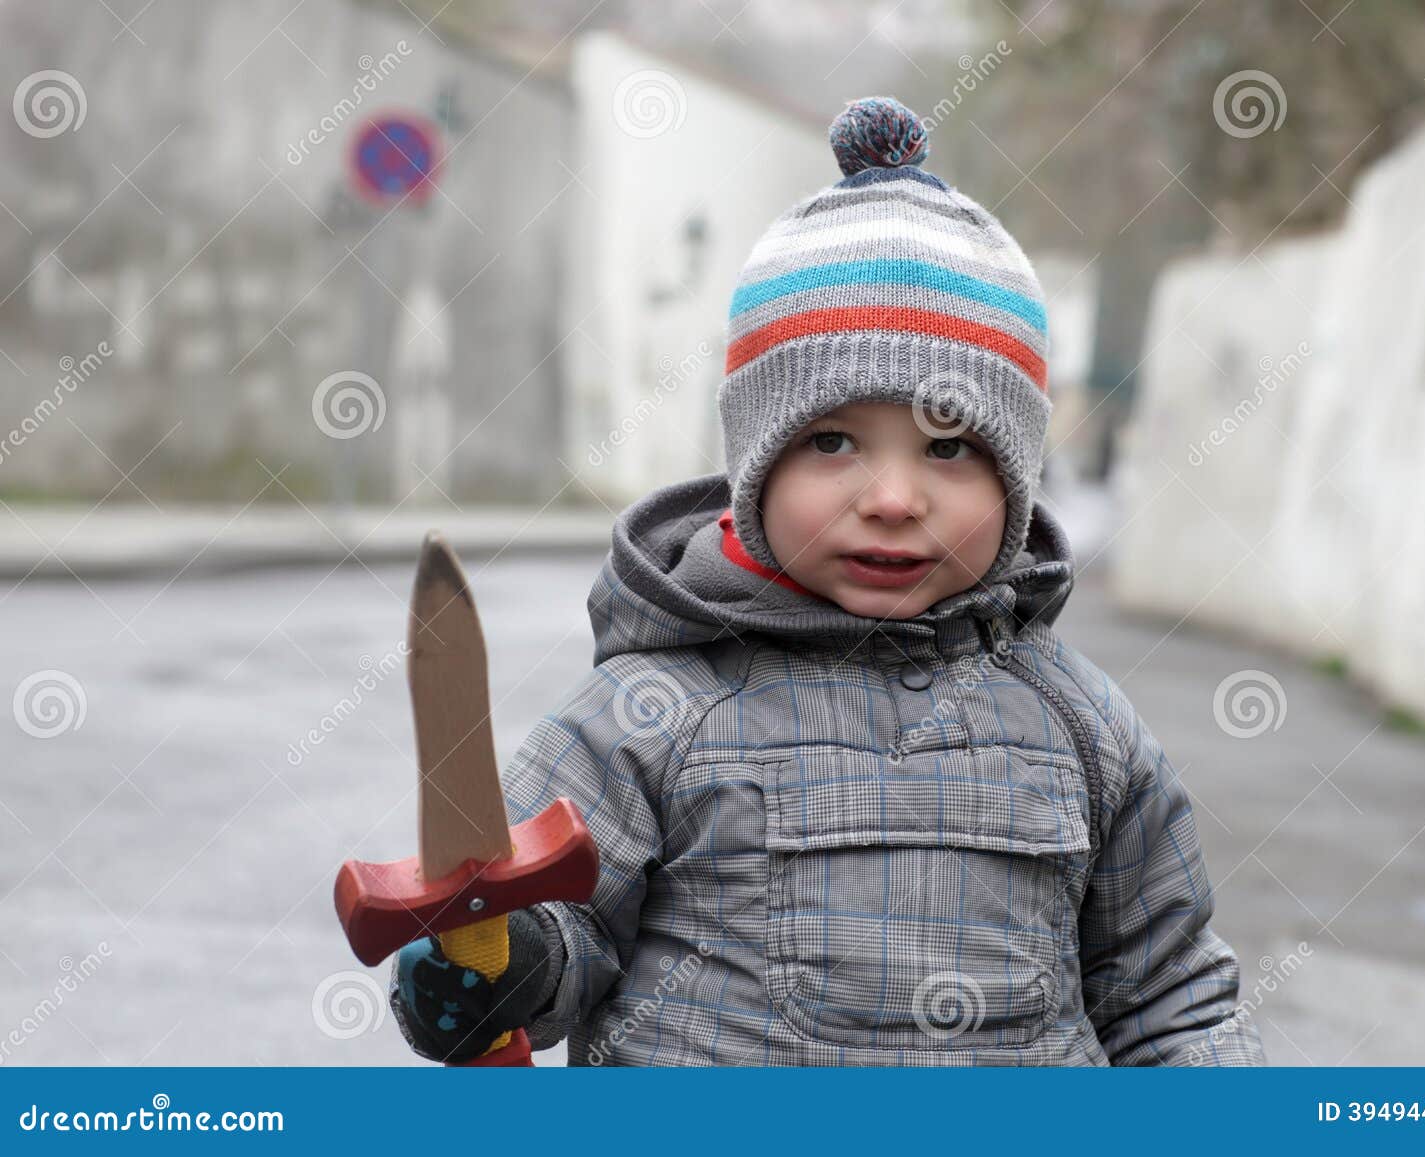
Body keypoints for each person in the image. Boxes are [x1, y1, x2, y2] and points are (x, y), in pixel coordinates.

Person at [390, 96, 1267, 1067]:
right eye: (832, 440)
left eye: (949, 447)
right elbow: (553, 931)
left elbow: (1170, 994)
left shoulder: (1081, 726)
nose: (893, 496)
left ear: (1016, 481)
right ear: (756, 464)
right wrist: (494, 965)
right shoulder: (650, 710)